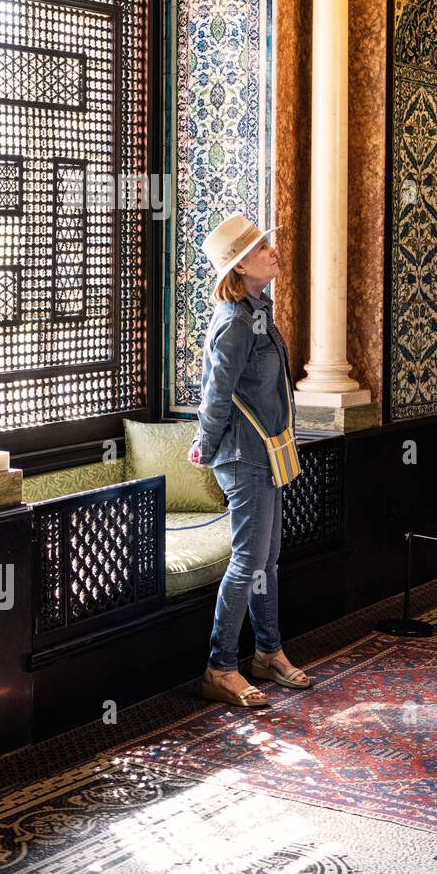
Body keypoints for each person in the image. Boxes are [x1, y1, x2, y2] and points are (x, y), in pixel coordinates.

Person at [189, 213, 312, 708]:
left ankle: (267, 652)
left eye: (268, 244)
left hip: (269, 452)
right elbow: (215, 396)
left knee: (267, 562)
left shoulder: (259, 310)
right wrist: (205, 444)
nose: (273, 250)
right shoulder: (235, 324)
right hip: (243, 457)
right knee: (247, 563)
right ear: (239, 267)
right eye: (262, 248)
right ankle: (220, 667)